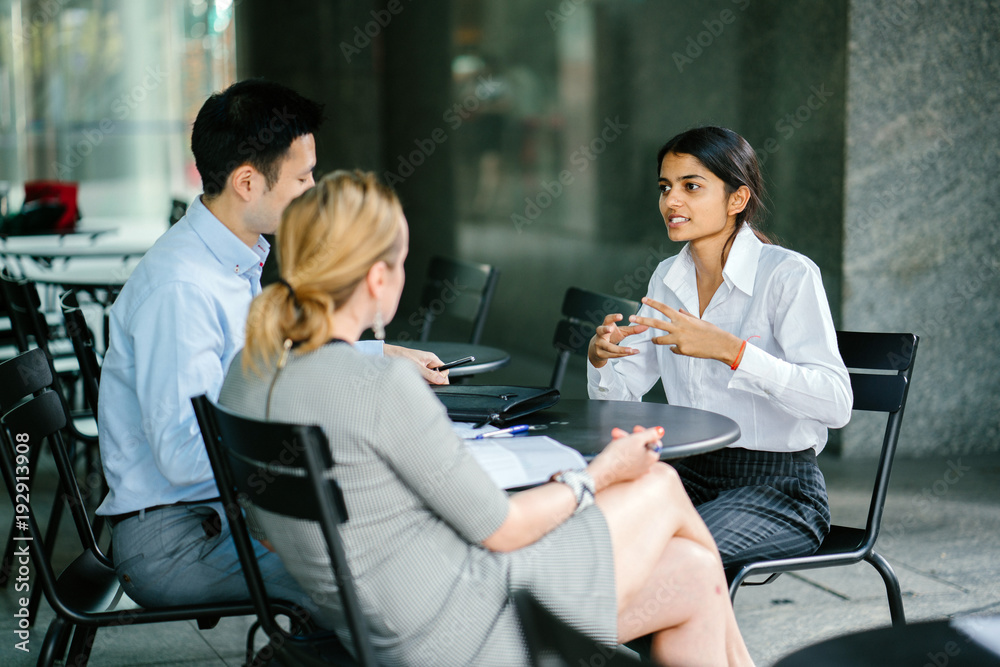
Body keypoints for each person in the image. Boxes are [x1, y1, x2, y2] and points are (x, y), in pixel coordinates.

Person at [219, 170, 755, 667]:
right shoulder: (381, 387)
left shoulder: (248, 371)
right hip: (461, 624)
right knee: (658, 480)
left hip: (376, 622)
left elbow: (267, 527)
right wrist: (601, 473)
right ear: (379, 278)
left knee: (695, 572)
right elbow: (503, 529)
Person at [96, 79, 446, 618]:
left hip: (219, 515)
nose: (313, 191)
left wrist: (378, 357)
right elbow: (184, 455)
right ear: (246, 182)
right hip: (178, 540)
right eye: (303, 177)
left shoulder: (227, 260)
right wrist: (314, 442)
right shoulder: (182, 290)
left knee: (392, 547)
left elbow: (267, 369)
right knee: (376, 574)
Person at [587, 126, 852, 567]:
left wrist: (733, 352)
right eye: (665, 187)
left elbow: (836, 404)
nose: (672, 202)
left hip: (778, 488)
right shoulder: (667, 279)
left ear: (737, 200)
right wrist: (602, 360)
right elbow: (618, 402)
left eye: (691, 186)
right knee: (584, 540)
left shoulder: (787, 275)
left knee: (669, 559)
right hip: (682, 474)